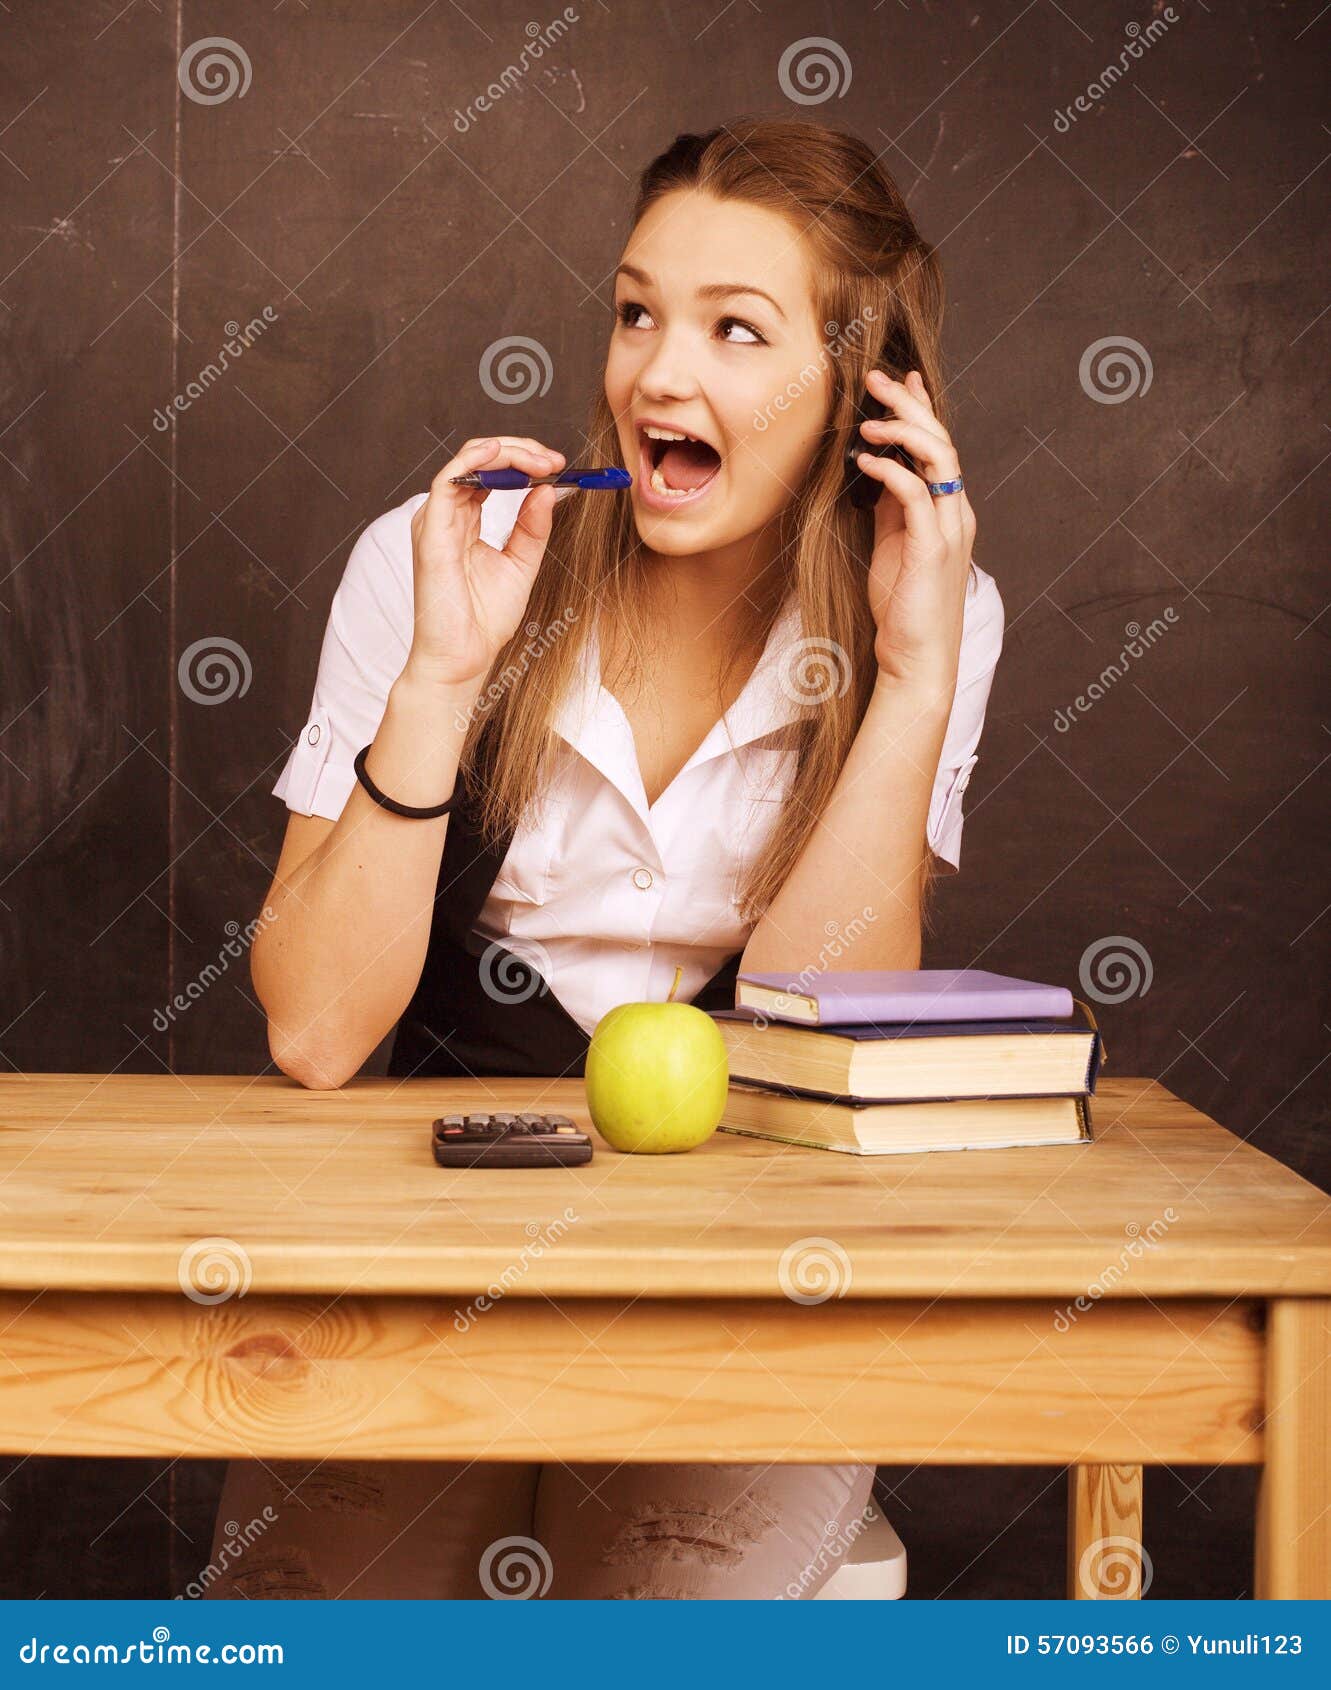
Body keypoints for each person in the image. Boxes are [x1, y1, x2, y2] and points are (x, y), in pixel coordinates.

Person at [205, 117, 1003, 1600]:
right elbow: (314, 1032)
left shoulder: (934, 610)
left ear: (859, 391)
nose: (657, 376)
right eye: (636, 312)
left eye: (734, 331)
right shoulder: (435, 558)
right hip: (431, 1265)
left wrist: (910, 679)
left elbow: (824, 1033)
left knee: (656, 1625)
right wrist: (441, 679)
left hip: (752, 1286)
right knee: (318, 1632)